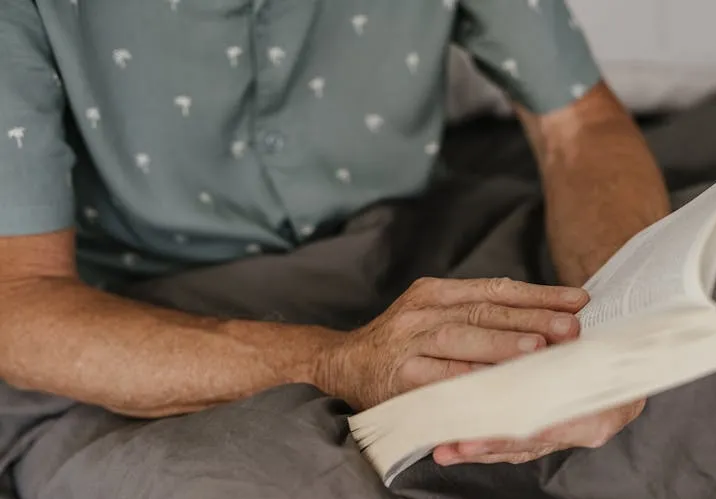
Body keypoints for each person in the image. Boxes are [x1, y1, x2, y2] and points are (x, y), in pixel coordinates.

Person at [0, 1, 666, 473]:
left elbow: (579, 126)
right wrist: (333, 361)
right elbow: (18, 299)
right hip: (149, 328)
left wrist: (615, 334)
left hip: (409, 253)